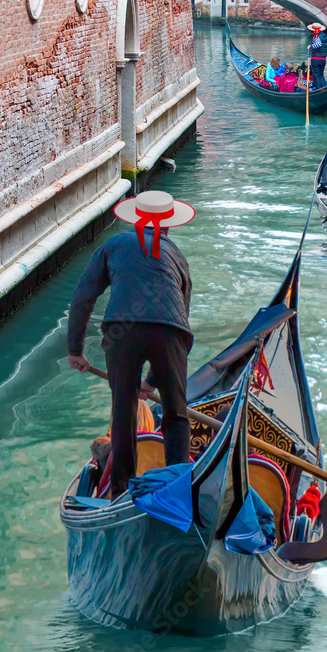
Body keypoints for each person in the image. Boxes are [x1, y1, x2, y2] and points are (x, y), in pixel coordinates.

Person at [67, 190, 195, 498]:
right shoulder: (177, 255)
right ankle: (178, 493)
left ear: (136, 219)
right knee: (177, 414)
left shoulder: (114, 245)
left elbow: (83, 296)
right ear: (167, 225)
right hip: (171, 332)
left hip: (121, 332)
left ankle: (121, 491)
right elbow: (181, 319)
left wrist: (75, 350)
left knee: (123, 410)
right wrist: (152, 383)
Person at [307, 23, 327, 89]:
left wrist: (310, 46)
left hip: (316, 59)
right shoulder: (324, 35)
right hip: (323, 59)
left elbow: (318, 44)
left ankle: (318, 89)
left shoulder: (316, 36)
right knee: (321, 74)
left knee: (316, 75)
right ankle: (324, 88)